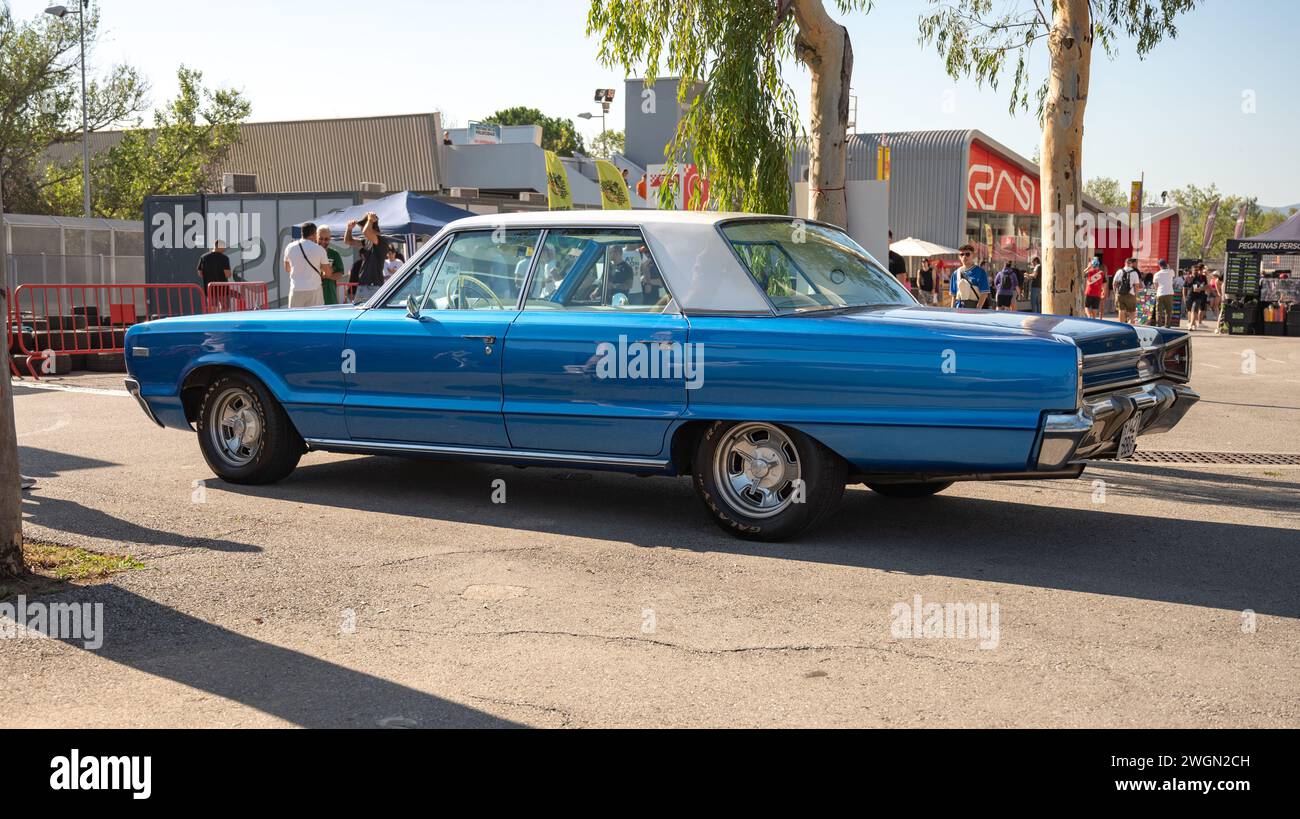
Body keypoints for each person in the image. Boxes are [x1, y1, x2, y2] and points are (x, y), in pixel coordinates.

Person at [283, 222, 331, 308]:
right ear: (314, 234)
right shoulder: (319, 249)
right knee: (315, 318)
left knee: (295, 318)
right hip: (314, 289)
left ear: (302, 233)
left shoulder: (289, 247)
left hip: (296, 289)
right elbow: (328, 273)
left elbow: (287, 268)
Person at [344, 211, 388, 303]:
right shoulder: (367, 241)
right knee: (360, 311)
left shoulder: (380, 240)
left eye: (362, 226)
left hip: (373, 286)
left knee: (366, 313)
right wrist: (349, 229)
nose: (361, 230)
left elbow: (366, 231)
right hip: (364, 285)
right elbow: (348, 241)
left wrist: (370, 220)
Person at [197, 239, 232, 308]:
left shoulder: (203, 257)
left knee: (212, 310)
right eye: (223, 247)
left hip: (210, 289)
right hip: (222, 289)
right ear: (219, 246)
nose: (224, 249)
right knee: (225, 309)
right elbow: (227, 274)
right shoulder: (224, 258)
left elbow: (200, 273)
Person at [314, 227, 345, 306]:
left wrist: (327, 275)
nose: (323, 241)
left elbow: (340, 274)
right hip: (312, 295)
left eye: (326, 239)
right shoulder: (310, 253)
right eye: (320, 238)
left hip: (329, 296)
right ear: (315, 237)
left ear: (330, 239)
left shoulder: (334, 254)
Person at [1112, 257, 1142, 324]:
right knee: (1132, 311)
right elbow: (1136, 285)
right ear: (1131, 264)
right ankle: (1131, 325)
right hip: (1130, 294)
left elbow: (1114, 283)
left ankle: (1122, 326)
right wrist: (1136, 295)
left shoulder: (1119, 271)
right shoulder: (1134, 273)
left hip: (1120, 294)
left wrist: (1115, 293)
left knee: (1121, 310)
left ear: (1125, 263)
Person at [1152, 259, 1177, 328]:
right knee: (1168, 311)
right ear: (1166, 264)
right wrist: (1168, 267)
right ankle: (1167, 325)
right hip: (1169, 293)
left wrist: (1158, 291)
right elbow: (1172, 273)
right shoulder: (1171, 272)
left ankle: (1158, 325)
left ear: (1159, 265)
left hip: (1160, 293)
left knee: (1159, 311)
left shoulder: (1156, 274)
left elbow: (1155, 286)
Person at [1185, 263, 1209, 330]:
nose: (1196, 271)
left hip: (1198, 296)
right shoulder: (1190, 277)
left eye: (1197, 270)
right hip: (1190, 296)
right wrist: (1184, 297)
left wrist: (1200, 289)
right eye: (1195, 270)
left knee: (1194, 309)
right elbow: (1186, 287)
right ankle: (1192, 323)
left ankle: (1191, 324)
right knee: (1190, 310)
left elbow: (1206, 286)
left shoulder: (1203, 277)